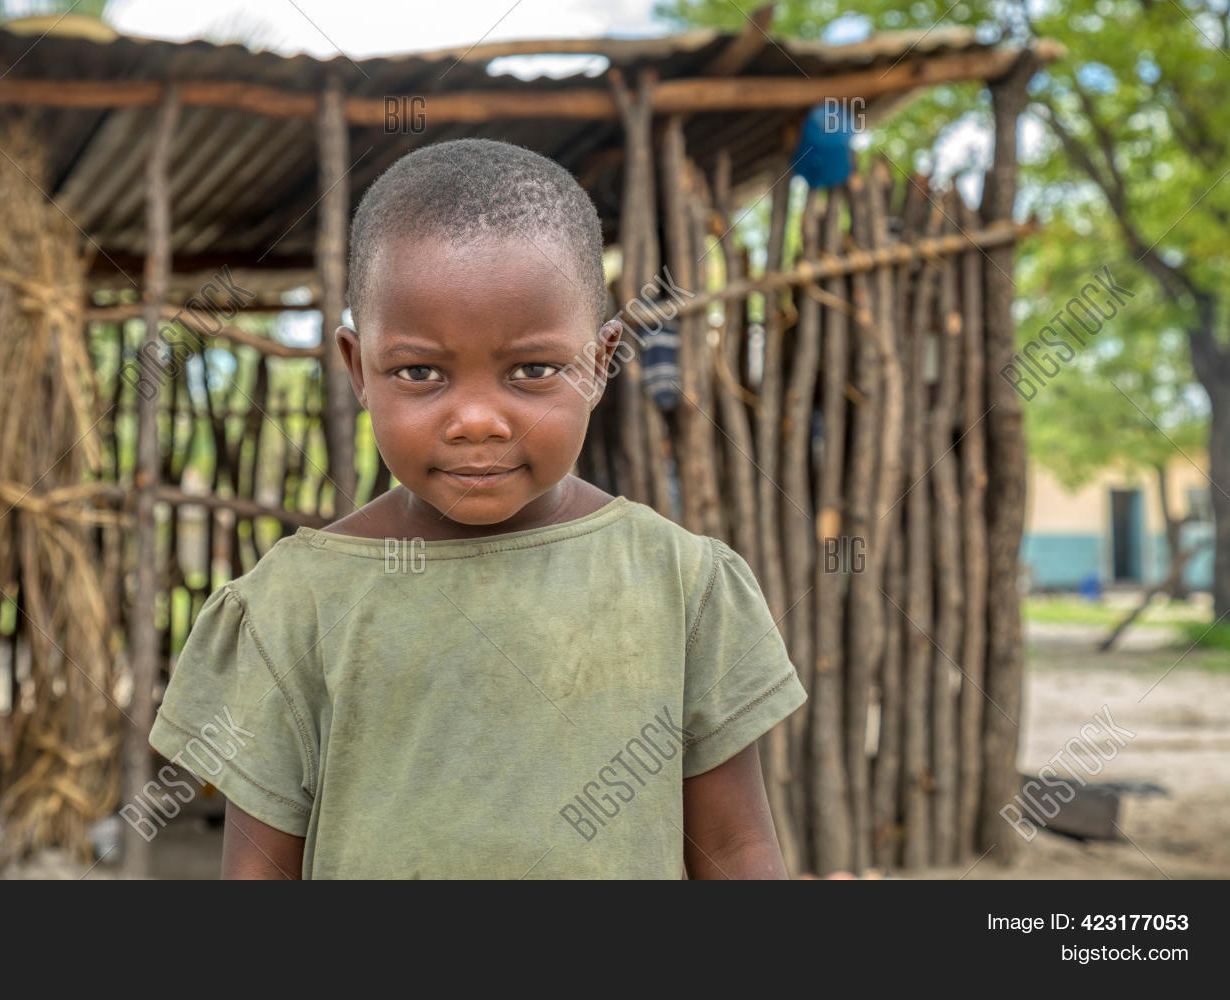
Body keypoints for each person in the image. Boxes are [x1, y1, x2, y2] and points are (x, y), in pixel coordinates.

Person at [147, 138, 806, 879]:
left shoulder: (682, 585)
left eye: (532, 369)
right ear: (358, 369)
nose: (478, 421)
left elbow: (738, 853)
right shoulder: (295, 605)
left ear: (599, 361)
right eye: (421, 371)